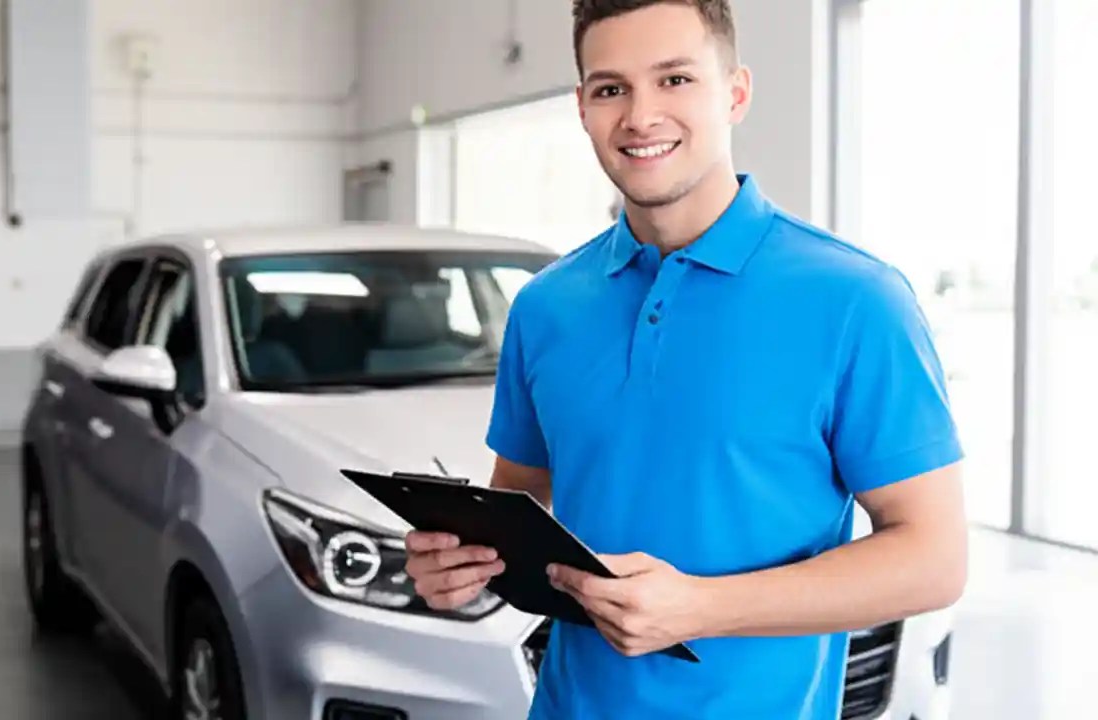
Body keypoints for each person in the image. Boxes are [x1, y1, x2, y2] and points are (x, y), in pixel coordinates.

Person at [403, 1, 968, 718]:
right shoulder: (545, 308)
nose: (640, 116)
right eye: (611, 88)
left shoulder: (856, 300)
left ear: (735, 93)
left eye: (674, 79)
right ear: (582, 108)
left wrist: (702, 607)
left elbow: (933, 558)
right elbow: (521, 492)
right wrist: (462, 561)